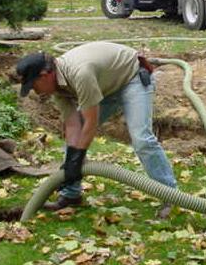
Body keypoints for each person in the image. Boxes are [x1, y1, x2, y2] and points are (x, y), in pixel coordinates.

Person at [16, 41, 177, 218]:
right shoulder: (56, 86)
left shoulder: (80, 73)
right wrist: (71, 159)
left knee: (141, 139)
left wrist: (76, 159)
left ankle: (170, 195)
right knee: (71, 147)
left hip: (132, 78)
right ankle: (71, 195)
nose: (35, 91)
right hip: (105, 84)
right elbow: (73, 124)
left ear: (45, 75)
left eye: (33, 85)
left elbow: (90, 124)